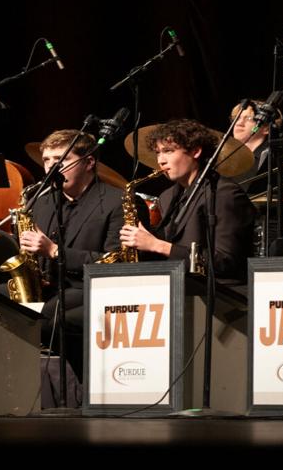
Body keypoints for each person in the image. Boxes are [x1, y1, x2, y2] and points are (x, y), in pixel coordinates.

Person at [19, 129, 125, 358]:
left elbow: (116, 264)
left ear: (89, 163)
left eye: (61, 160)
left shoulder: (117, 202)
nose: (51, 167)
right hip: (49, 285)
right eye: (47, 160)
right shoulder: (40, 202)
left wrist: (54, 251)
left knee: (38, 320)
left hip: (87, 286)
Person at [117, 119, 253, 290]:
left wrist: (157, 245)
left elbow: (226, 261)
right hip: (180, 287)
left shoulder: (225, 193)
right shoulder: (167, 196)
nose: (161, 160)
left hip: (220, 292)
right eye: (158, 153)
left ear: (195, 151)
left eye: (168, 151)